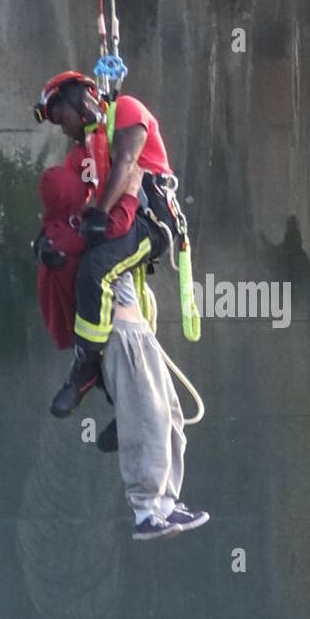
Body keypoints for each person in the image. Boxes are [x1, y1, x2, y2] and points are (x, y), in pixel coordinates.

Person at [34, 159, 208, 540]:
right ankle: (147, 508)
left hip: (135, 329)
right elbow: (118, 224)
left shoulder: (63, 232)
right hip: (120, 332)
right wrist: (130, 186)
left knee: (169, 413)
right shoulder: (85, 231)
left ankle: (164, 502)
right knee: (147, 412)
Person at [34, 71, 190, 417]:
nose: (64, 129)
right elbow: (65, 200)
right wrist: (47, 242)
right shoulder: (82, 154)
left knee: (95, 268)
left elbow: (127, 161)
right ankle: (119, 398)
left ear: (78, 99)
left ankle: (86, 367)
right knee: (69, 268)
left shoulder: (128, 111)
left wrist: (101, 213)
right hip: (114, 221)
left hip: (151, 218)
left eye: (63, 119)